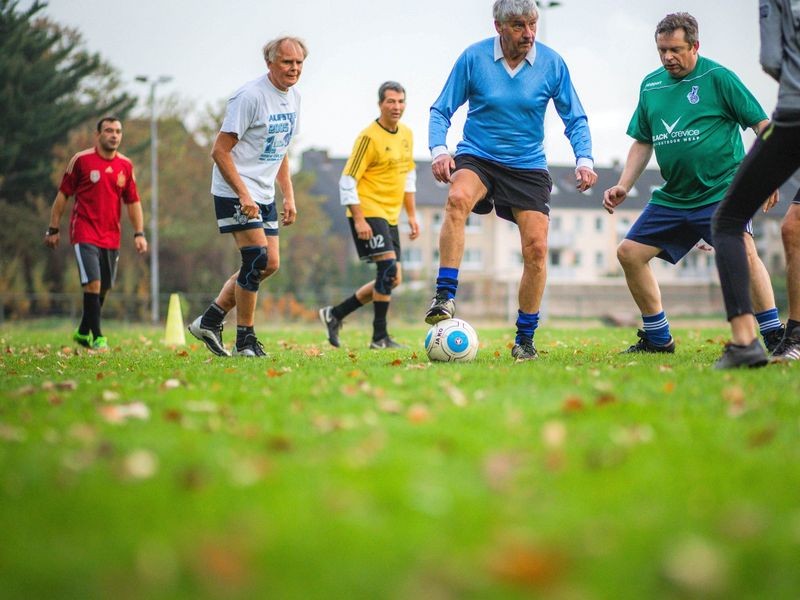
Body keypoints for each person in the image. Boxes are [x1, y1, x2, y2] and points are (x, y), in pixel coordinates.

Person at [602, 12, 784, 355]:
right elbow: (643, 141)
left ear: (695, 46)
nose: (668, 57)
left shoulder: (718, 78)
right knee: (629, 253)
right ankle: (658, 337)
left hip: (722, 190)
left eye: (675, 49)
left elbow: (762, 124)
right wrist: (625, 185)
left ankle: (773, 335)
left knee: (744, 249)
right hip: (674, 196)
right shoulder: (651, 85)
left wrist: (768, 171)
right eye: (661, 50)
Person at [425, 0, 597, 361]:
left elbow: (575, 117)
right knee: (457, 199)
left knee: (536, 248)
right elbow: (441, 109)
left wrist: (584, 159)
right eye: (519, 25)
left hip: (527, 165)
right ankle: (445, 295)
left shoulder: (552, 64)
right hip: (479, 155)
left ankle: (525, 339)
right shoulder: (473, 59)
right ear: (498, 27)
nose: (529, 33)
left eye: (532, 24)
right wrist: (440, 150)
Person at [188, 37, 306, 357]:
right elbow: (219, 151)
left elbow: (280, 149)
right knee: (256, 258)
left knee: (270, 264)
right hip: (235, 189)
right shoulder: (250, 97)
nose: (293, 68)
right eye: (286, 62)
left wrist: (289, 196)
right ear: (269, 63)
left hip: (264, 192)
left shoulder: (294, 98)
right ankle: (245, 341)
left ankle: (210, 320)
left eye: (298, 62)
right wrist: (244, 195)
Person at [712, 0, 800, 367]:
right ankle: (792, 335)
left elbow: (771, 60)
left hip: (794, 116)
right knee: (792, 228)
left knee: (729, 222)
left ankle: (745, 340)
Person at [319, 82, 419, 349]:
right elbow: (347, 180)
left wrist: (412, 215)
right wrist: (359, 219)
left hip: (391, 215)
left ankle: (336, 314)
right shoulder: (368, 137)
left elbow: (408, 176)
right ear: (380, 104)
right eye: (391, 102)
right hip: (368, 209)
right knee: (387, 270)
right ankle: (379, 338)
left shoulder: (407, 134)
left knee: (392, 277)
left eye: (401, 102)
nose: (396, 107)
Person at [45, 117, 147, 350]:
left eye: (118, 131)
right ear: (98, 134)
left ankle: (82, 331)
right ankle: (98, 337)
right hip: (84, 231)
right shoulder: (81, 161)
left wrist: (139, 233)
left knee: (105, 286)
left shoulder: (126, 166)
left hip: (111, 236)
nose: (114, 135)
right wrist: (53, 228)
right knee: (93, 282)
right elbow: (63, 195)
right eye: (109, 130)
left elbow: (133, 202)